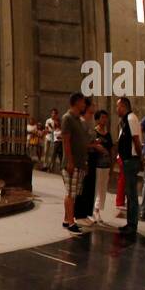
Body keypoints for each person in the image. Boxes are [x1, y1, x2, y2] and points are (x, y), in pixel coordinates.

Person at [60, 92, 90, 234]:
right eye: (83, 102)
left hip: (79, 162)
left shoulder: (78, 119)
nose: (84, 105)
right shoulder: (67, 118)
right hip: (72, 163)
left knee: (74, 193)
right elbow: (66, 141)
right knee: (70, 193)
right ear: (77, 102)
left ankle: (67, 219)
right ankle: (71, 222)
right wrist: (70, 161)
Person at [115, 96, 142, 236]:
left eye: (118, 106)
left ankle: (133, 225)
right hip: (127, 160)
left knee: (131, 194)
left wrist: (140, 159)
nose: (116, 109)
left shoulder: (131, 118)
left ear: (124, 106)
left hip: (131, 160)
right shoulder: (126, 120)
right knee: (129, 193)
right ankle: (130, 223)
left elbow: (136, 140)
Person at [90, 110, 114, 226]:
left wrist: (112, 163)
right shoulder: (94, 132)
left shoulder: (108, 134)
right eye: (103, 117)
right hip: (97, 164)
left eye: (106, 117)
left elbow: (111, 148)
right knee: (96, 187)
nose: (105, 120)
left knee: (103, 189)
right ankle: (93, 211)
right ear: (98, 119)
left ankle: (98, 210)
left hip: (106, 164)